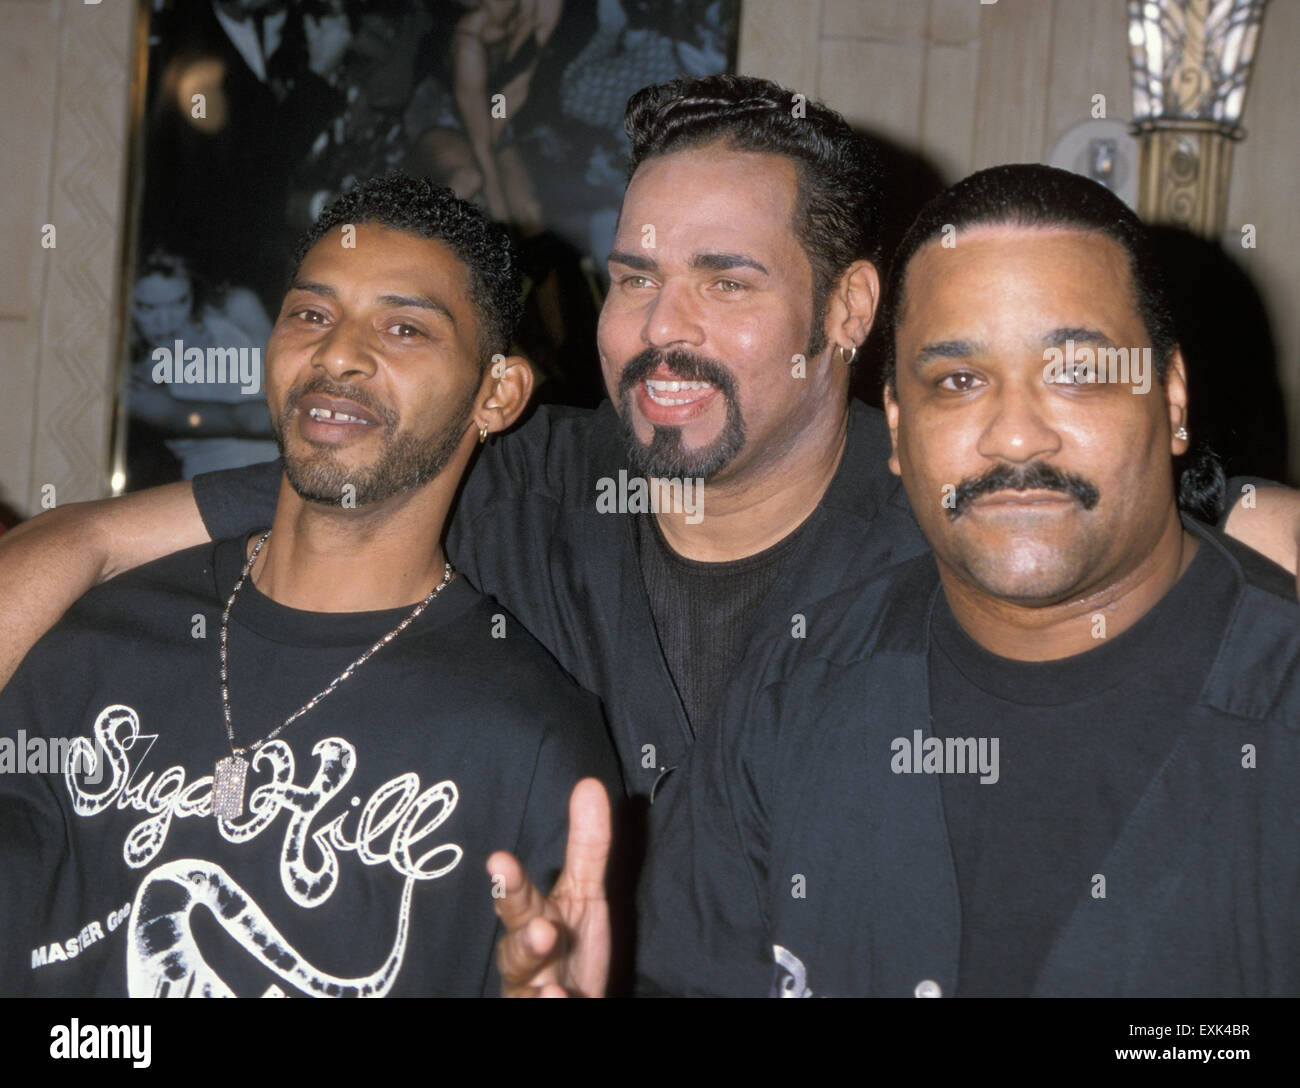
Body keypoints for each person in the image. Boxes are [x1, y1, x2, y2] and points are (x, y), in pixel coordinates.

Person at [1, 78, 1297, 894]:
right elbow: (93, 539)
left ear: (848, 311)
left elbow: (1236, 528)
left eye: (725, 283)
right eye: (634, 278)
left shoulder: (955, 508)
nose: (658, 329)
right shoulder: (521, 480)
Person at [630, 165, 1300, 997]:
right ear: (900, 428)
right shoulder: (791, 692)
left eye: (1077, 374)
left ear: (1170, 398)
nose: (1015, 438)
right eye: (958, 381)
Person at [0, 175, 619, 998]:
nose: (336, 354)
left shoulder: (527, 741)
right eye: (310, 315)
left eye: (404, 327)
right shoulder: (85, 643)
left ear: (496, 393)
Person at [126, 247, 279, 480]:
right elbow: (244, 421)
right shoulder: (136, 378)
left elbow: (290, 381)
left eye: (179, 302)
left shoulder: (237, 308)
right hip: (221, 488)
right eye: (147, 307)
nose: (165, 320)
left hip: (293, 470)